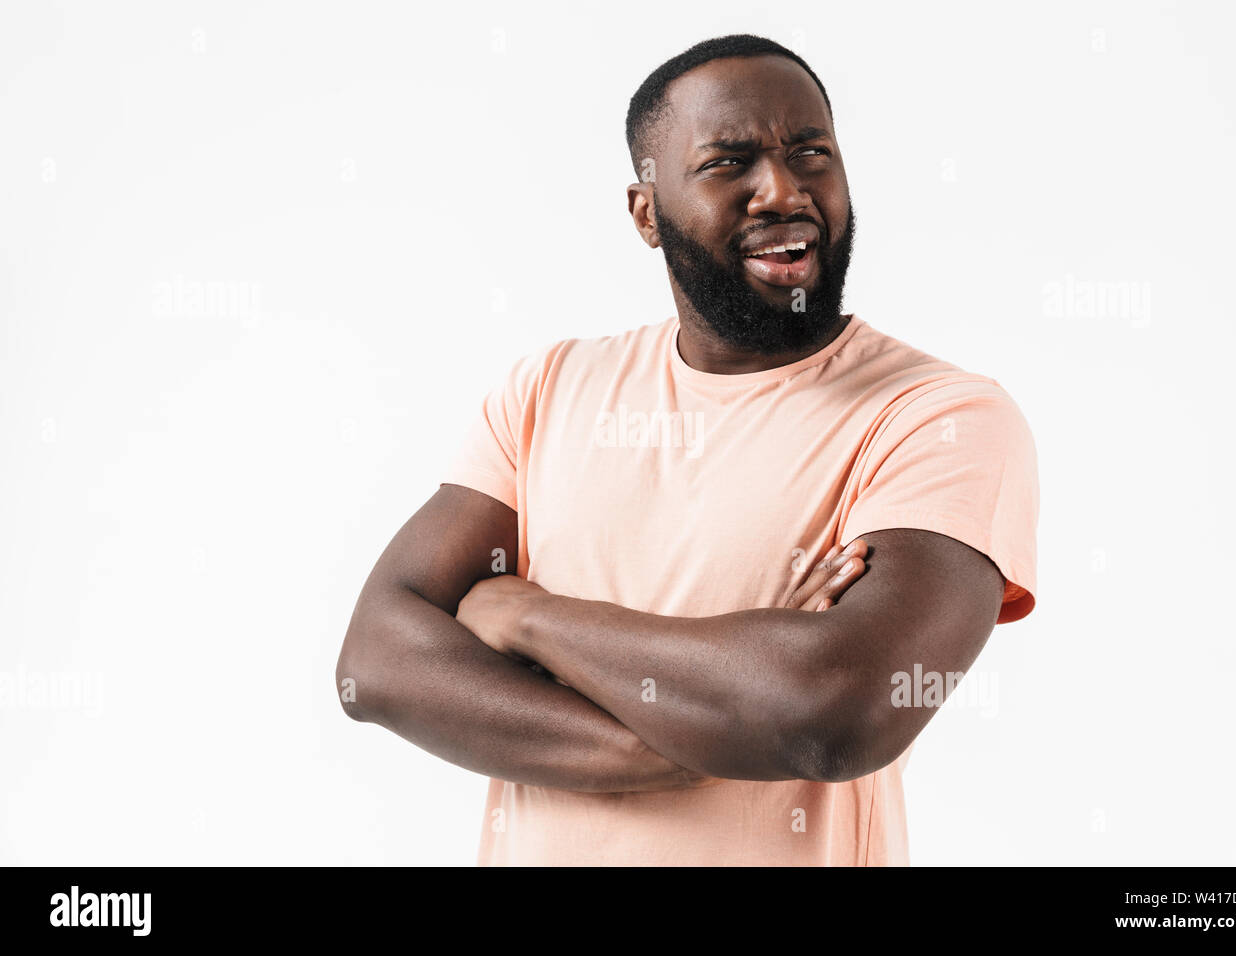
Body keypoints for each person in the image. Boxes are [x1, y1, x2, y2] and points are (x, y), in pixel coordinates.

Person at [336, 34, 1039, 866]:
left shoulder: (936, 415)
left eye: (812, 152)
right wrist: (684, 734)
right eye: (729, 162)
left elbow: (836, 712)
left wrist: (523, 615)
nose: (783, 189)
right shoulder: (549, 390)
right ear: (646, 212)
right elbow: (377, 660)